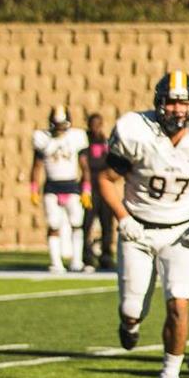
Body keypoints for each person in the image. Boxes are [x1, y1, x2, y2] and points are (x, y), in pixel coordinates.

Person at [98, 71, 189, 378]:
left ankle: (169, 376)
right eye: (171, 102)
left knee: (179, 303)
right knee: (132, 309)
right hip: (138, 230)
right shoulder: (136, 131)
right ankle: (129, 324)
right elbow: (105, 179)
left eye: (183, 102)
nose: (176, 109)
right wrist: (123, 218)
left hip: (180, 232)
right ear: (159, 104)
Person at [29, 105, 89, 273]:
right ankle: (56, 263)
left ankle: (77, 261)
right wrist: (34, 188)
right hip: (52, 187)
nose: (60, 129)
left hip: (71, 185)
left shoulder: (76, 137)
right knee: (53, 224)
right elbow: (36, 166)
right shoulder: (43, 139)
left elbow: (84, 166)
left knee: (77, 224)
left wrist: (86, 188)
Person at [82, 112, 115, 270]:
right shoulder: (84, 142)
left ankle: (106, 255)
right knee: (87, 224)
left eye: (98, 124)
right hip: (90, 188)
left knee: (107, 224)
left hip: (104, 188)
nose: (95, 128)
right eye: (93, 124)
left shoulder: (106, 142)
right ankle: (87, 256)